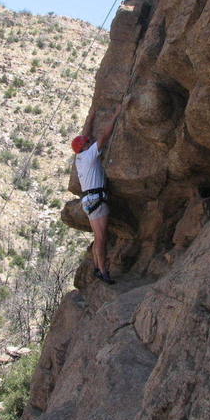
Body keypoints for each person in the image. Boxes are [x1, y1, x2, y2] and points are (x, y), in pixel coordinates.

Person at [71, 96, 129, 284]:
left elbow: (85, 134)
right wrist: (116, 115)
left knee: (99, 237)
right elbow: (104, 137)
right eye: (87, 141)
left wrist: (92, 117)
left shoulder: (80, 158)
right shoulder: (89, 155)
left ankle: (98, 267)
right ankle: (103, 271)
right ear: (85, 146)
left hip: (89, 201)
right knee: (102, 238)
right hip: (96, 200)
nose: (90, 140)